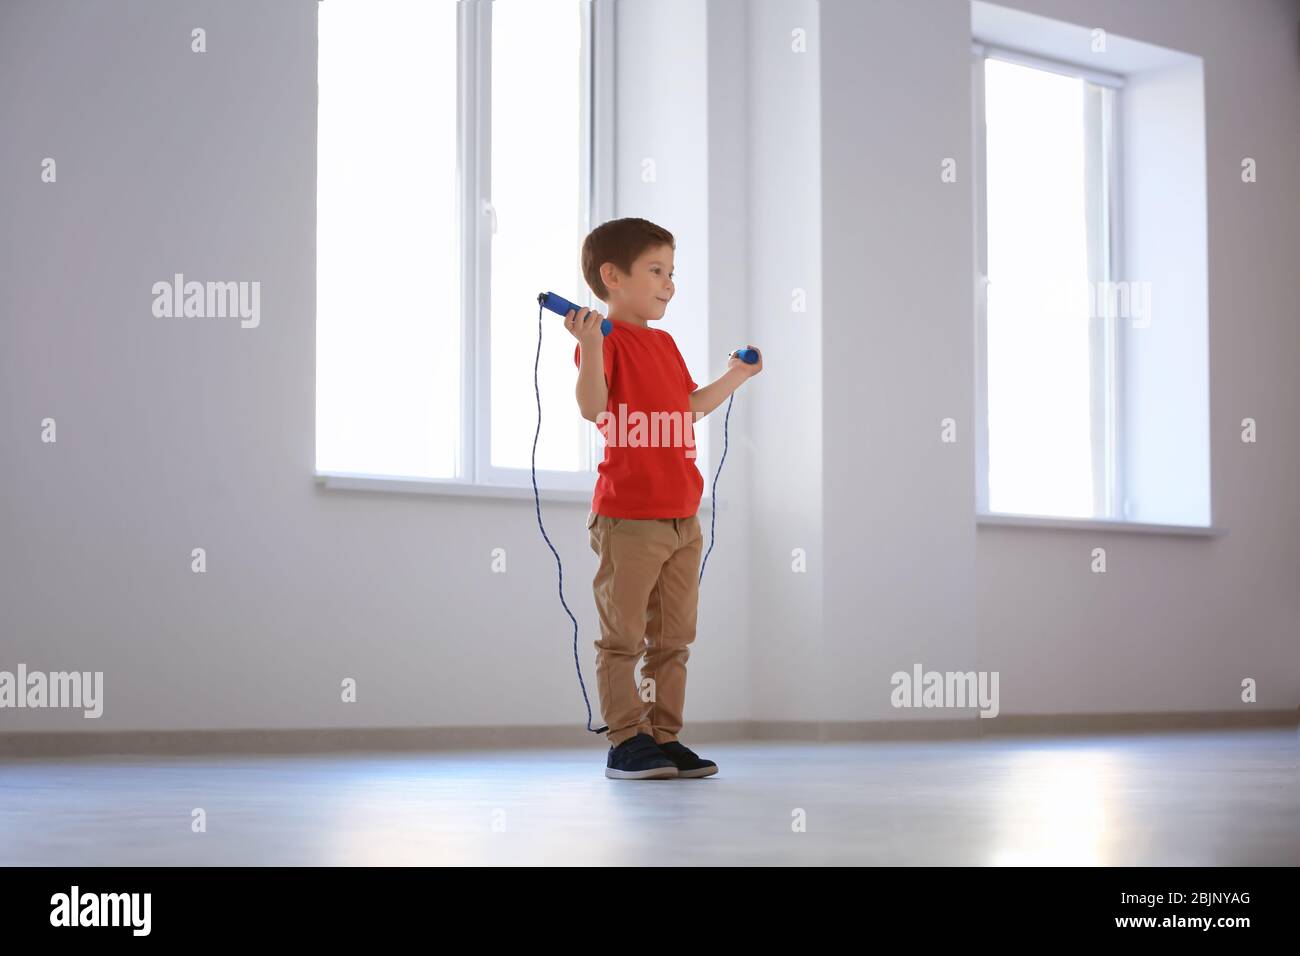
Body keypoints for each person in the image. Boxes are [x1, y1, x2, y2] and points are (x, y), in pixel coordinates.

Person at [567, 217, 762, 779]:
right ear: (613, 276)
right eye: (657, 271)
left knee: (673, 640)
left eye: (671, 273)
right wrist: (587, 345)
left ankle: (662, 735)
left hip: (682, 519)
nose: (669, 284)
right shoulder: (602, 339)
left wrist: (734, 376)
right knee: (623, 637)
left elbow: (689, 409)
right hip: (627, 519)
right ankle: (625, 740)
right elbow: (592, 407)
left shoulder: (665, 342)